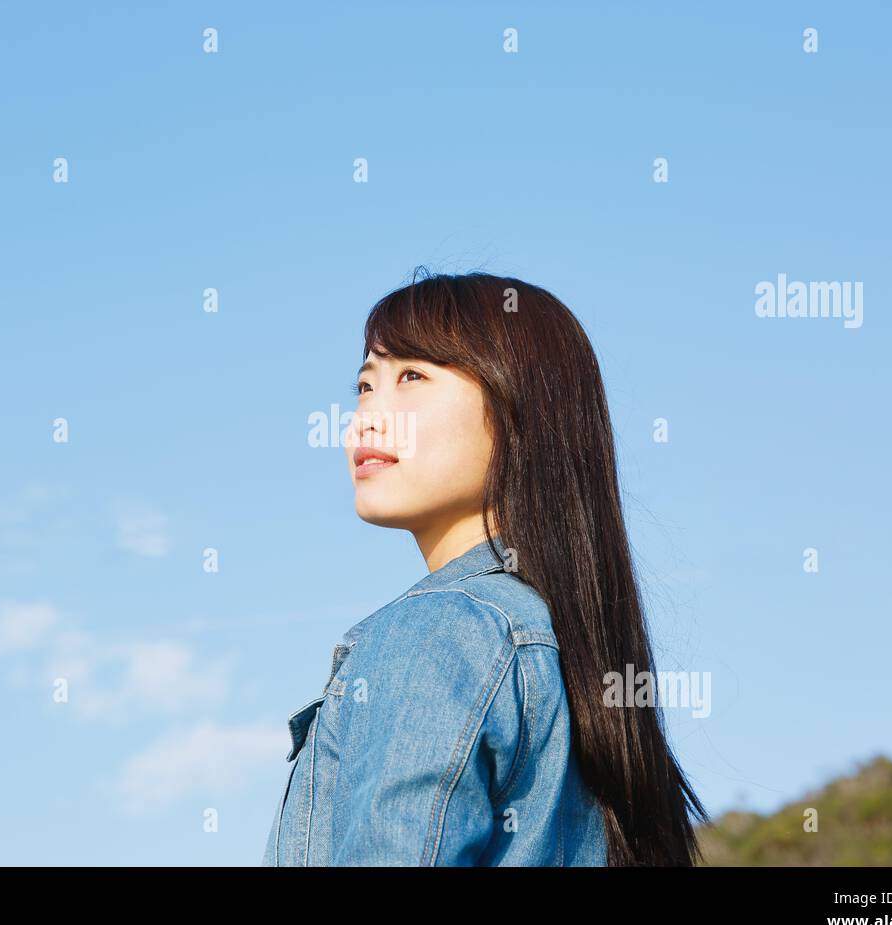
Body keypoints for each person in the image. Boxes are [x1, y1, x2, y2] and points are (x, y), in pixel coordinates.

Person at [261, 269, 707, 866]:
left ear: (520, 409)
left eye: (412, 376)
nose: (366, 418)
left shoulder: (438, 629)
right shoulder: (566, 645)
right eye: (364, 387)